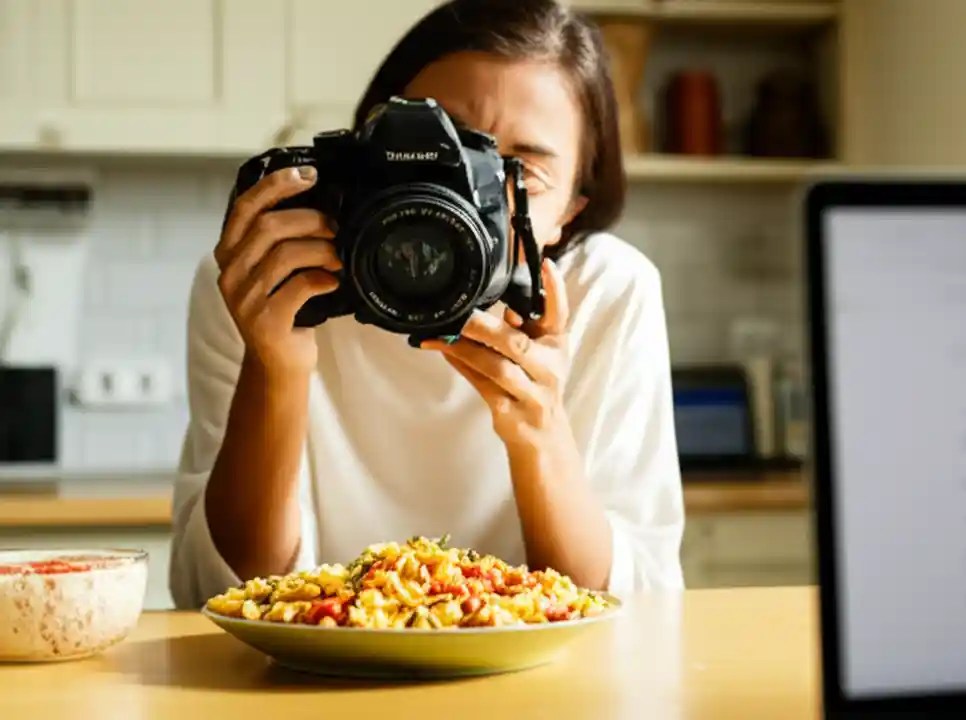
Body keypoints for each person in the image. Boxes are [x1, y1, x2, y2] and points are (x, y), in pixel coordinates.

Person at [168, 0, 685, 609]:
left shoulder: (608, 292)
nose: (465, 193)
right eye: (446, 152)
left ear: (570, 210)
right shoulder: (270, 281)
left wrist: (540, 433)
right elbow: (219, 594)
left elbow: (643, 603)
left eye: (516, 171)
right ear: (370, 150)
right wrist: (276, 370)